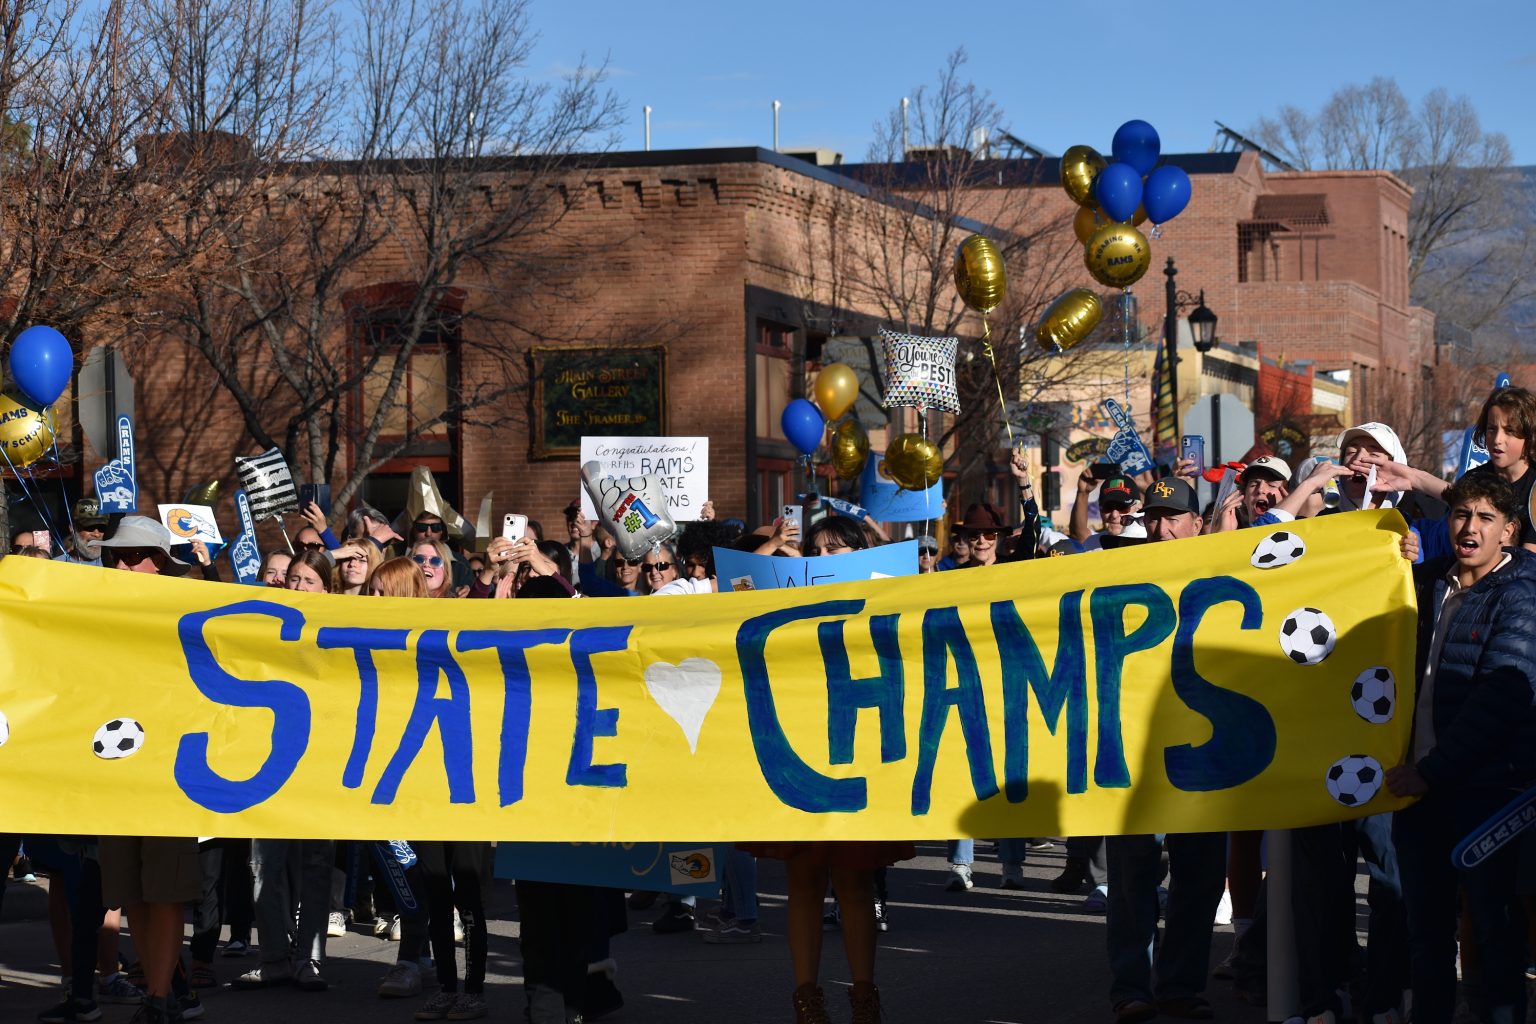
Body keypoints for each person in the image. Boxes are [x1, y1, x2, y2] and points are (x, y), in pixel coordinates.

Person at [743, 515, 910, 1024]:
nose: (824, 559)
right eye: (817, 551)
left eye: (836, 550)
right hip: (798, 748)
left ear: (860, 554)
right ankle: (807, 1000)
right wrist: (775, 554)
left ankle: (864, 997)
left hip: (857, 750)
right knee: (803, 882)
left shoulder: (885, 595)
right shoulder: (786, 594)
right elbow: (734, 587)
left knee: (855, 883)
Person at [1387, 471, 1536, 1024]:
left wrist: (1430, 771)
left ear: (1509, 531)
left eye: (1485, 517)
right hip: (1419, 793)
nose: (1470, 527)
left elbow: (1499, 701)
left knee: (1495, 932)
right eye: (1460, 514)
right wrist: (1390, 558)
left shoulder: (1521, 595)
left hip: (1487, 794)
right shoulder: (1426, 581)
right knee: (1426, 934)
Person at [1104, 478, 1226, 1024]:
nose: (1161, 527)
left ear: (1197, 524)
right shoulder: (1116, 573)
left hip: (1203, 749)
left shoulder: (1223, 569)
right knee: (1133, 872)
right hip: (1134, 750)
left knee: (1199, 874)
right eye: (1153, 517)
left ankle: (1179, 986)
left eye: (1173, 516)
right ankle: (1131, 987)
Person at [94, 517, 201, 1024]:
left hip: (169, 775)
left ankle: (159, 997)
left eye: (132, 555)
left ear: (160, 562)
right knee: (132, 889)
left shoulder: (189, 612)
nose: (120, 563)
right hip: (116, 773)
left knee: (165, 890)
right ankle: (162, 990)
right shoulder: (94, 615)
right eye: (114, 554)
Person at [1070, 471, 1142, 551]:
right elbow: (1079, 535)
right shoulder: (1094, 544)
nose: (1114, 515)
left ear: (1139, 507)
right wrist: (1083, 493)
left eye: (1122, 507)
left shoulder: (1150, 539)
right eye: (1108, 507)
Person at [54, 498, 109, 565]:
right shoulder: (54, 566)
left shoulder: (114, 565)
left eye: (102, 527)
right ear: (72, 527)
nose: (96, 534)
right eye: (89, 527)